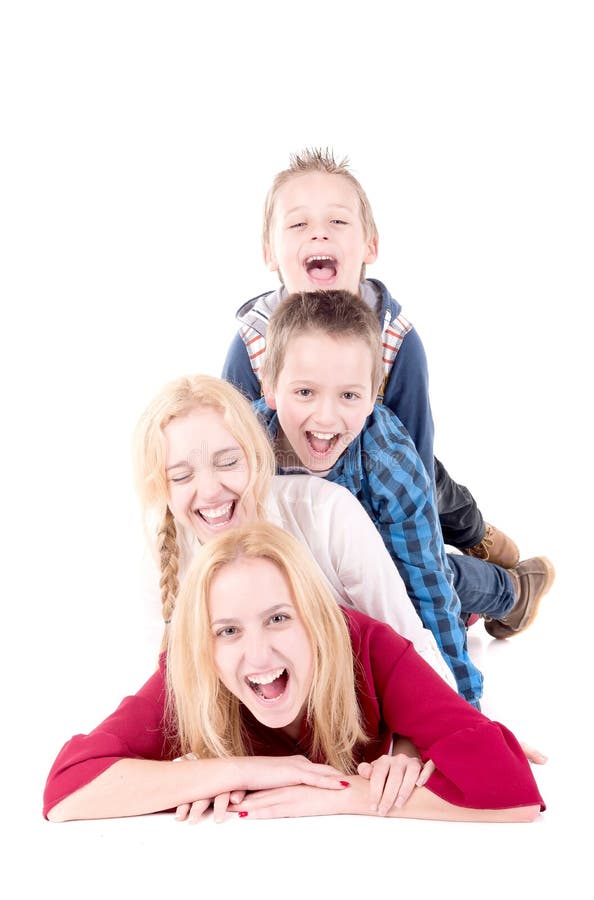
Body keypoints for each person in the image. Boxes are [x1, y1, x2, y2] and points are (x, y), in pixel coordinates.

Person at [44, 522, 544, 824]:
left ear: (317, 619)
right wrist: (237, 771)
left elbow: (517, 794)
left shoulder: (370, 647)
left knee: (446, 602)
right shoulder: (190, 669)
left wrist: (352, 796)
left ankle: (500, 590)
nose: (258, 655)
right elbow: (66, 788)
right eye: (228, 631)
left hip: (418, 598)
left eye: (279, 619)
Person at [222, 147, 519, 570]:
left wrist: (411, 548)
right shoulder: (253, 343)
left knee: (433, 501)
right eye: (299, 224)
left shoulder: (395, 339)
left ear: (370, 245)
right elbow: (232, 451)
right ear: (270, 252)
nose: (319, 234)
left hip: (389, 469)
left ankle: (477, 537)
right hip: (302, 471)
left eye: (338, 222)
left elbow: (415, 463)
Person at [255, 290, 555, 707]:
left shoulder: (388, 464)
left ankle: (514, 591)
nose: (325, 416)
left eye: (348, 395)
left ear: (373, 395)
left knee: (432, 579)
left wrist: (461, 711)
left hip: (397, 567)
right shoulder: (244, 446)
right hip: (323, 578)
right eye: (305, 392)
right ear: (271, 388)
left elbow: (427, 587)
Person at [133, 373, 454, 686]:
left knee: (458, 579)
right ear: (161, 489)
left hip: (360, 702)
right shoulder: (161, 557)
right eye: (181, 476)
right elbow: (160, 694)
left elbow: (416, 658)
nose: (209, 491)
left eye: (228, 462)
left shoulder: (329, 514)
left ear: (256, 458)